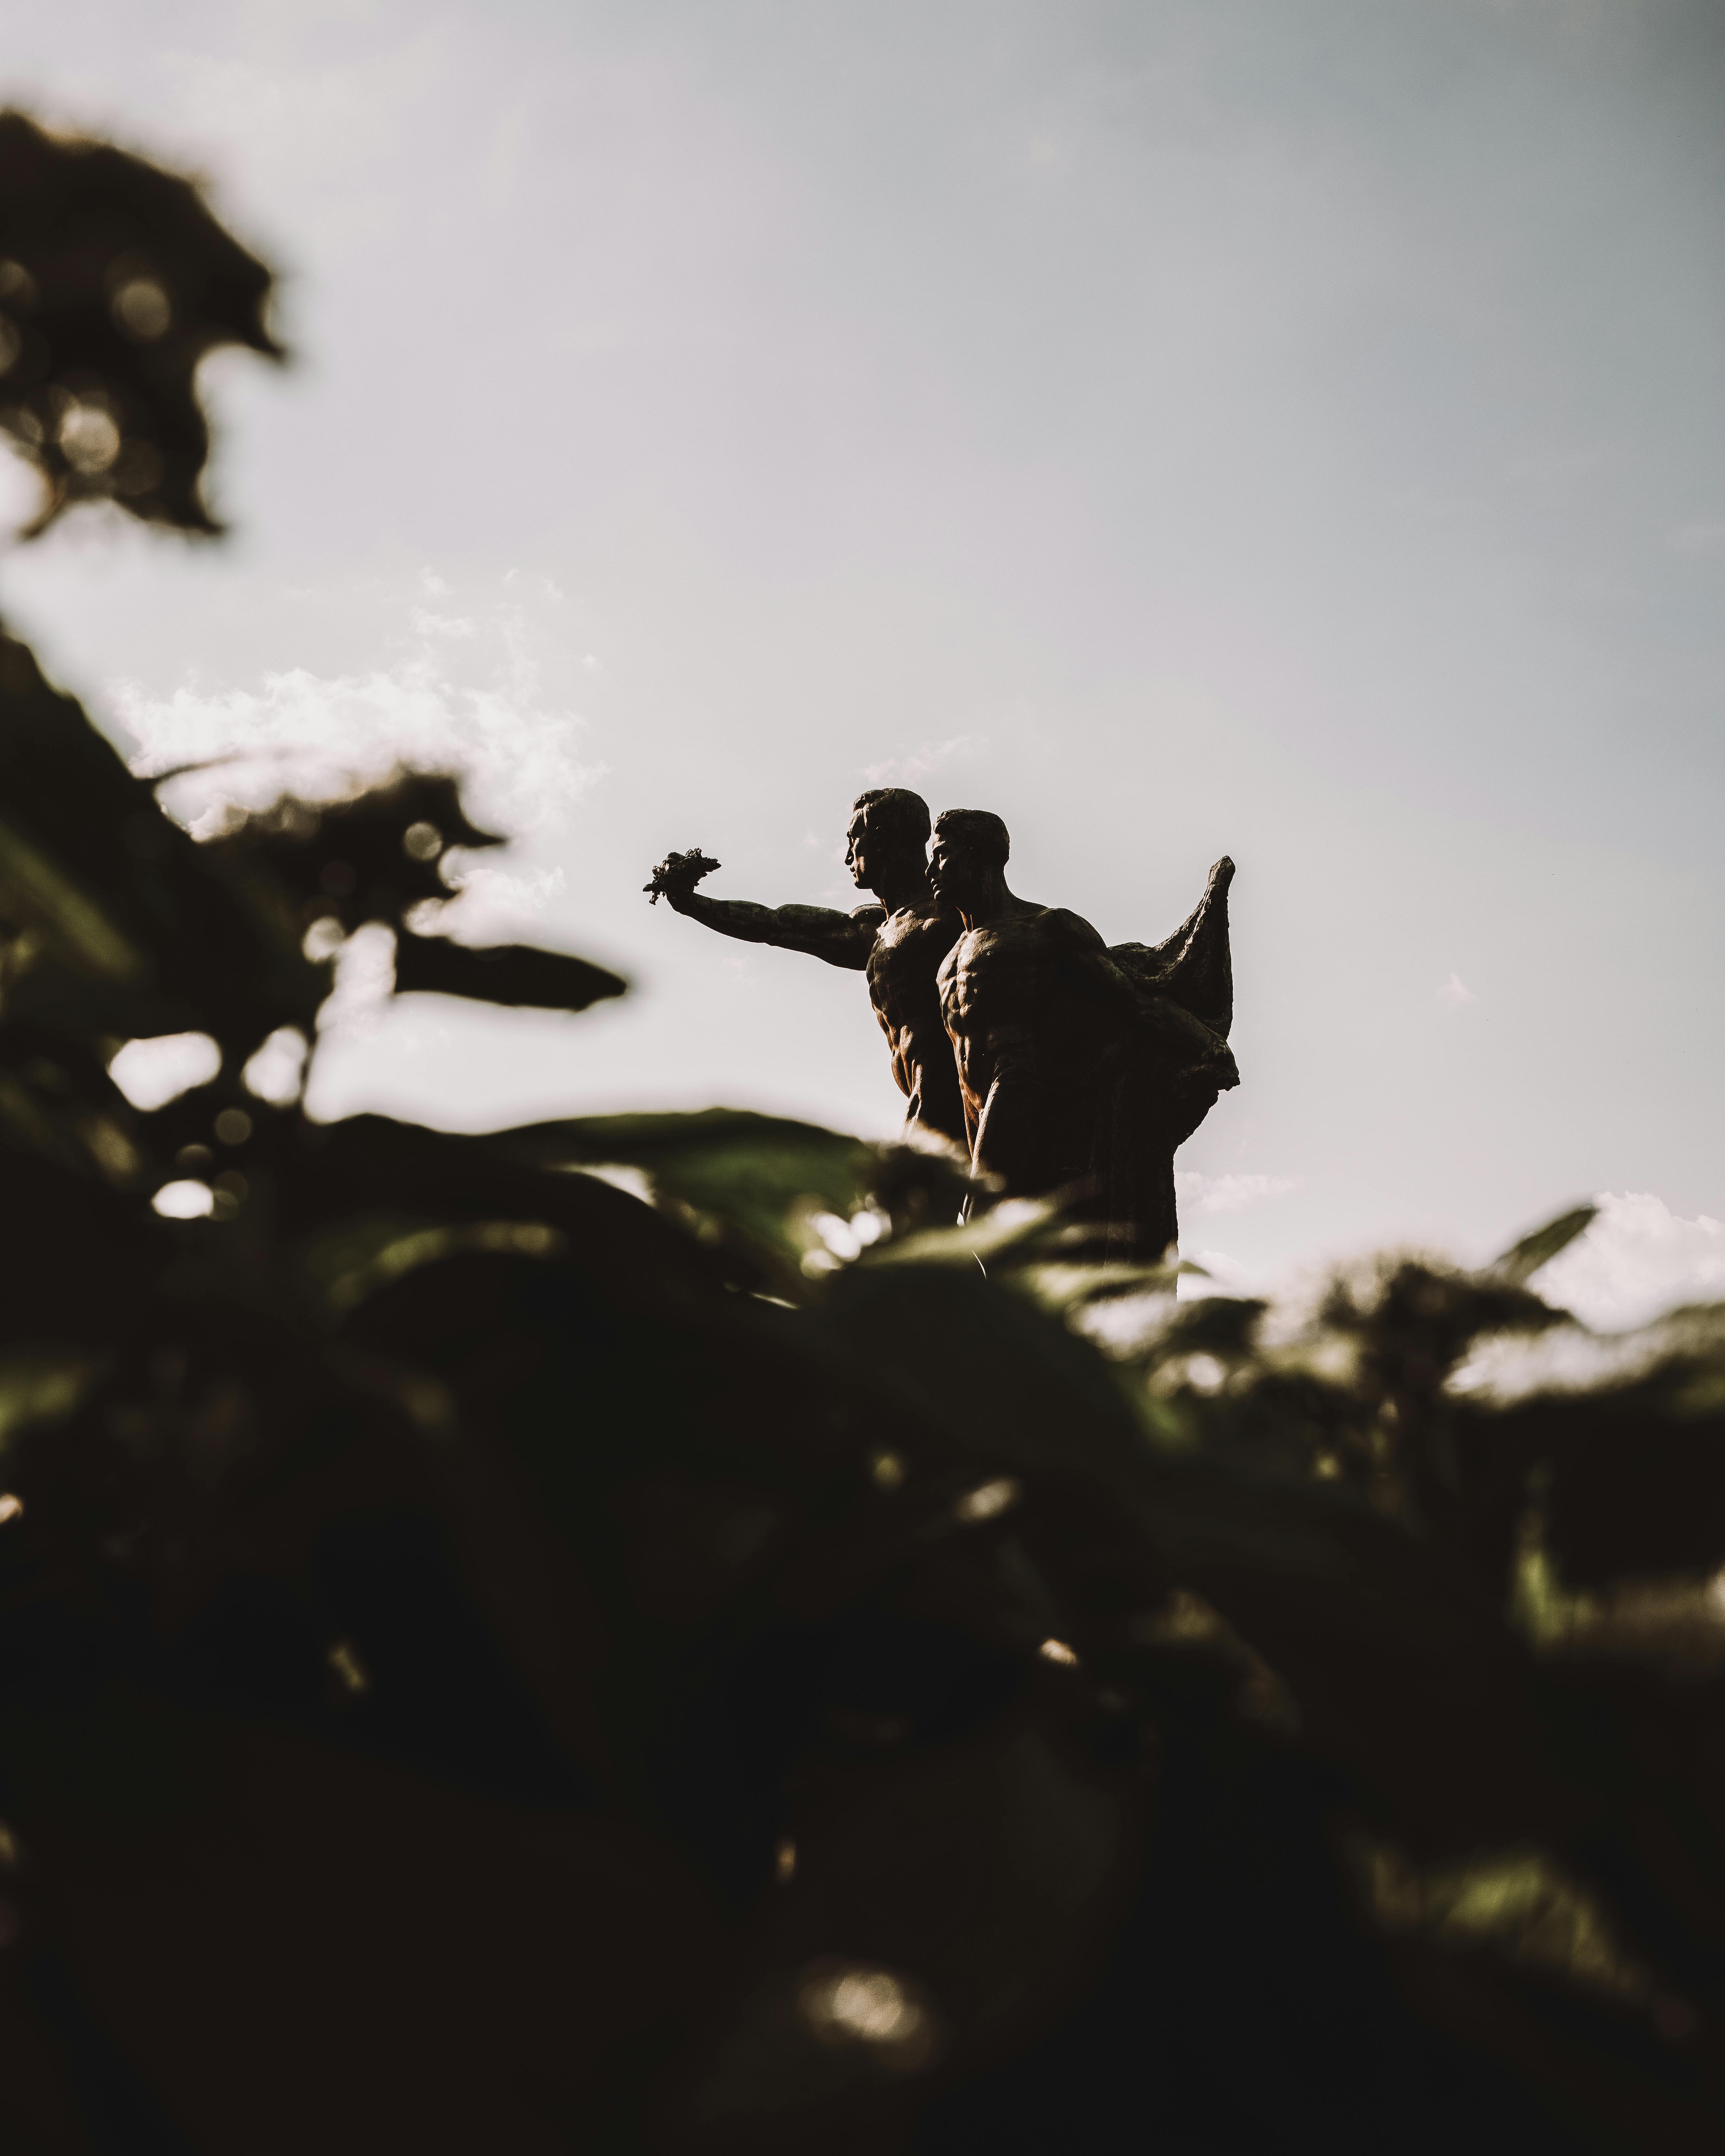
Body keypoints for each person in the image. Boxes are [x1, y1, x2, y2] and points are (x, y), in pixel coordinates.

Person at [929, 807, 1237, 1261]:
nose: (931, 870)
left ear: (979, 856)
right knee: (1018, 1230)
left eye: (942, 856)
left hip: (1020, 1085)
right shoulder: (950, 956)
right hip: (975, 1104)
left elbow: (1134, 999)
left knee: (979, 1218)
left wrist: (1205, 1043)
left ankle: (994, 1325)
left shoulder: (1046, 929)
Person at [647, 789, 968, 1146]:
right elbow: (776, 924)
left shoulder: (955, 916)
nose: (848, 855)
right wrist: (692, 903)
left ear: (879, 839)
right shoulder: (874, 928)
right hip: (925, 1095)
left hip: (962, 1097)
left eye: (853, 839)